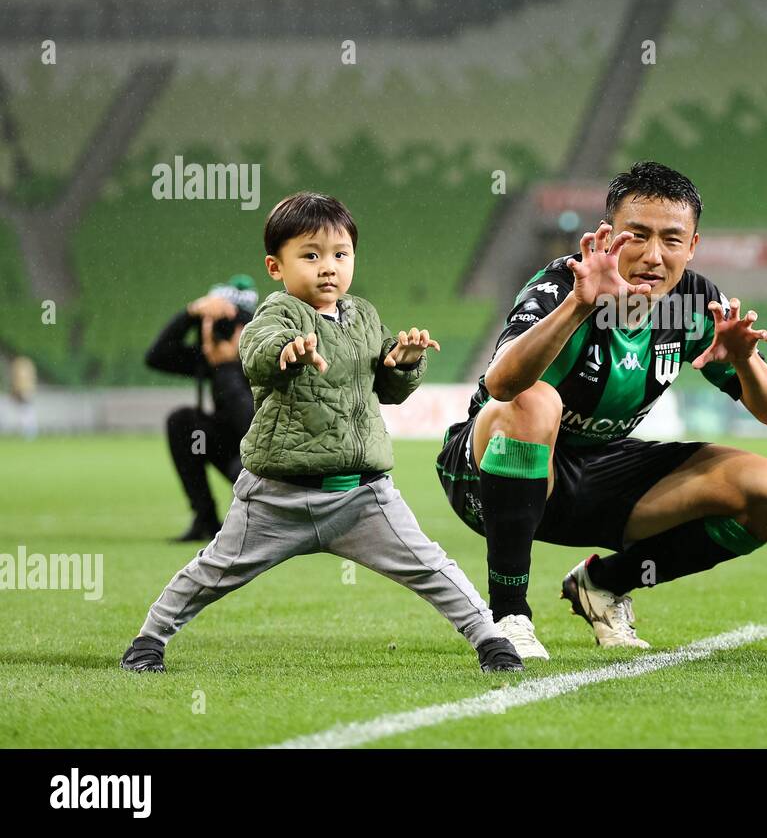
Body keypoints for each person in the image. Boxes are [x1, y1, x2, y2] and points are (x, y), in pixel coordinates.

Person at [121, 191, 521, 675]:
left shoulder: (365, 317)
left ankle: (492, 642)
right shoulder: (277, 315)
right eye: (310, 256)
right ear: (276, 266)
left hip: (362, 497)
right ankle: (148, 642)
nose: (327, 267)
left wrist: (405, 363)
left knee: (431, 567)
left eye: (340, 254)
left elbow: (389, 390)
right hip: (276, 497)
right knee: (211, 573)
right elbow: (258, 352)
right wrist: (287, 353)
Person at [437, 161, 767, 659]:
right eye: (637, 235)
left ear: (692, 246)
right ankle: (508, 616)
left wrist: (745, 361)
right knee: (535, 400)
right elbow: (501, 385)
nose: (653, 255)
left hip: (595, 470)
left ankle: (603, 584)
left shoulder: (695, 304)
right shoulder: (565, 284)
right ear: (608, 236)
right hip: (488, 469)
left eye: (672, 240)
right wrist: (579, 308)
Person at [145, 277, 257, 542]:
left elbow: (252, 426)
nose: (217, 331)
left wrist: (229, 368)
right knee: (182, 421)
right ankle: (205, 520)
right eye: (210, 324)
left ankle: (262, 521)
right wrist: (189, 314)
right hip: (231, 448)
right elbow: (157, 357)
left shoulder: (266, 352)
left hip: (264, 451)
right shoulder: (211, 354)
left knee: (242, 465)